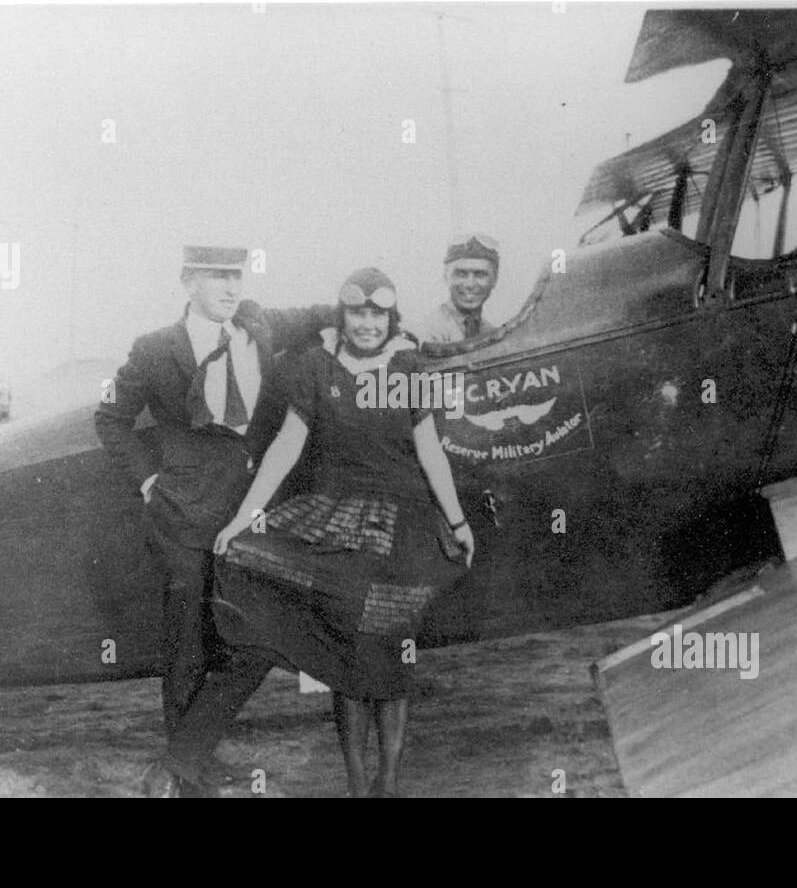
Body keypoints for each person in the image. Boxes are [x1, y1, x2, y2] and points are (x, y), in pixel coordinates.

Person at [211, 266, 474, 797]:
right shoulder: (315, 368)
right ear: (343, 314)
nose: (367, 323)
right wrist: (245, 516)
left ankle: (388, 782)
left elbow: (431, 452)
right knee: (351, 659)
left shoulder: (408, 370)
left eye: (378, 313)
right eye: (358, 312)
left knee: (394, 655)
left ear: (390, 317)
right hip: (339, 530)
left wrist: (458, 519)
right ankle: (357, 786)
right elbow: (286, 447)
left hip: (404, 532)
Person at [94, 244, 331, 798]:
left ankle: (180, 762)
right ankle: (189, 778)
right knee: (188, 645)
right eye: (216, 277)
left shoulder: (260, 325)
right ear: (187, 282)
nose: (229, 287)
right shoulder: (154, 350)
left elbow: (328, 311)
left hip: (253, 511)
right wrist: (150, 482)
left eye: (235, 276)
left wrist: (393, 328)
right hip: (184, 515)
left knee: (259, 636)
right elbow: (110, 419)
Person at [412, 233, 501, 343]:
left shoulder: (491, 333)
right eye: (461, 274)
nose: (470, 284)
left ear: (495, 279)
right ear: (446, 277)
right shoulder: (427, 330)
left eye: (480, 274)